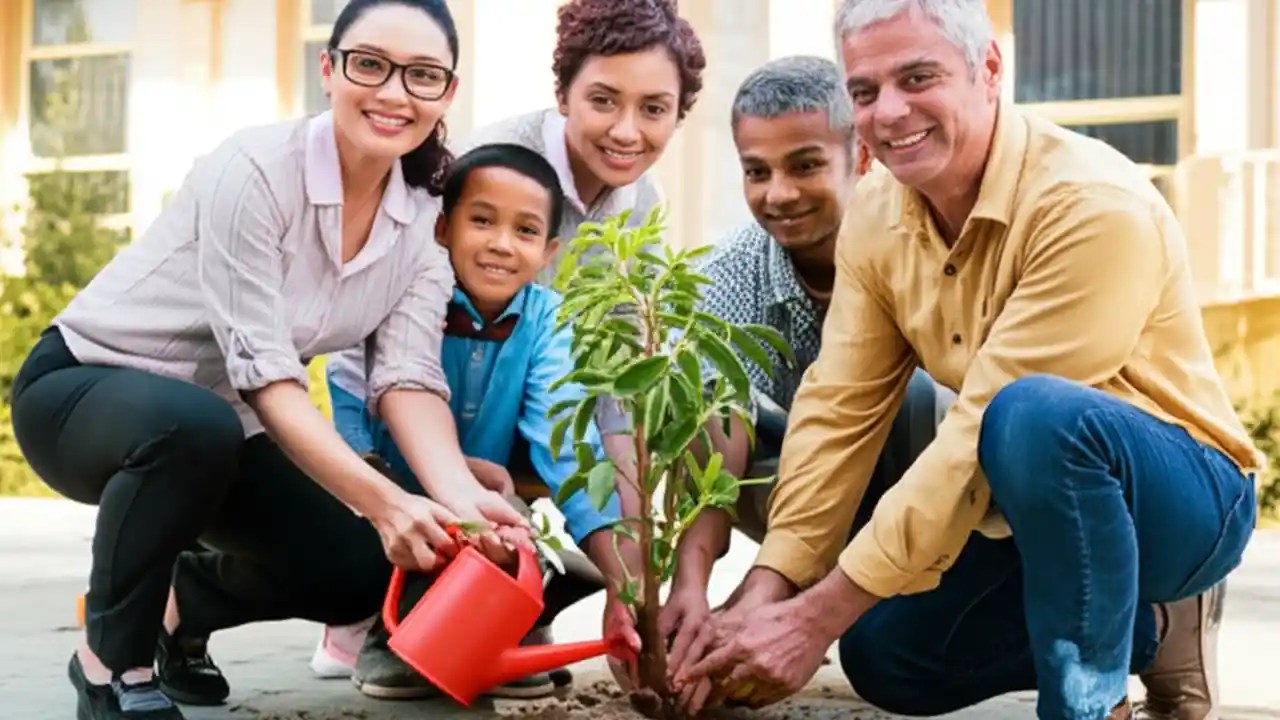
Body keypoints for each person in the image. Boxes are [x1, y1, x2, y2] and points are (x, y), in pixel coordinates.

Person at [671, 2, 1261, 720]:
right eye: (864, 91)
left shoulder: (1089, 205)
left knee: (1033, 414)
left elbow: (981, 427)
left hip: (1177, 502)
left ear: (987, 71)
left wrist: (812, 617)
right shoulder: (878, 213)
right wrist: (773, 582)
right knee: (885, 657)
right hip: (1023, 505)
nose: (889, 112)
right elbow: (838, 409)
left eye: (918, 77)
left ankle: (1091, 698)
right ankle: (1148, 625)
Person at [7, 2, 530, 718]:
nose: (393, 92)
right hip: (79, 392)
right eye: (369, 64)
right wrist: (386, 501)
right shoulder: (253, 169)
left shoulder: (421, 219)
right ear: (329, 69)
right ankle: (111, 666)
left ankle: (177, 607)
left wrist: (462, 504)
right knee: (195, 427)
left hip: (221, 426)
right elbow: (268, 376)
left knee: (359, 566)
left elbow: (407, 378)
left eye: (422, 75)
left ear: (447, 91)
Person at [316, 0, 707, 683]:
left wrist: (631, 580)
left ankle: (513, 608)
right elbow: (392, 347)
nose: (626, 130)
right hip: (406, 395)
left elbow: (602, 398)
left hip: (516, 397)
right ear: (562, 95)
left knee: (587, 436)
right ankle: (379, 614)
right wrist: (440, 472)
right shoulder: (480, 169)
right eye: (603, 100)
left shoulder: (638, 206)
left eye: (654, 108)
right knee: (401, 492)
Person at [655, 54, 951, 661]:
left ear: (862, 158)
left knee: (916, 401)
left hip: (935, 489)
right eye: (756, 172)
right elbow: (718, 422)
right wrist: (691, 586)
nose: (779, 194)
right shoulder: (732, 271)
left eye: (806, 166)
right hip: (806, 502)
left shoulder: (923, 242)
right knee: (700, 402)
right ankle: (778, 602)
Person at [324, 143, 643, 700]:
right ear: (443, 229)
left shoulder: (548, 322)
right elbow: (350, 401)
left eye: (524, 231)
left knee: (506, 518)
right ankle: (392, 631)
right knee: (407, 526)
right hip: (393, 497)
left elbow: (567, 444)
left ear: (549, 252)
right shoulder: (403, 296)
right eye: (481, 221)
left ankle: (513, 621)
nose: (500, 243)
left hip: (493, 500)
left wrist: (622, 578)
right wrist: (397, 485)